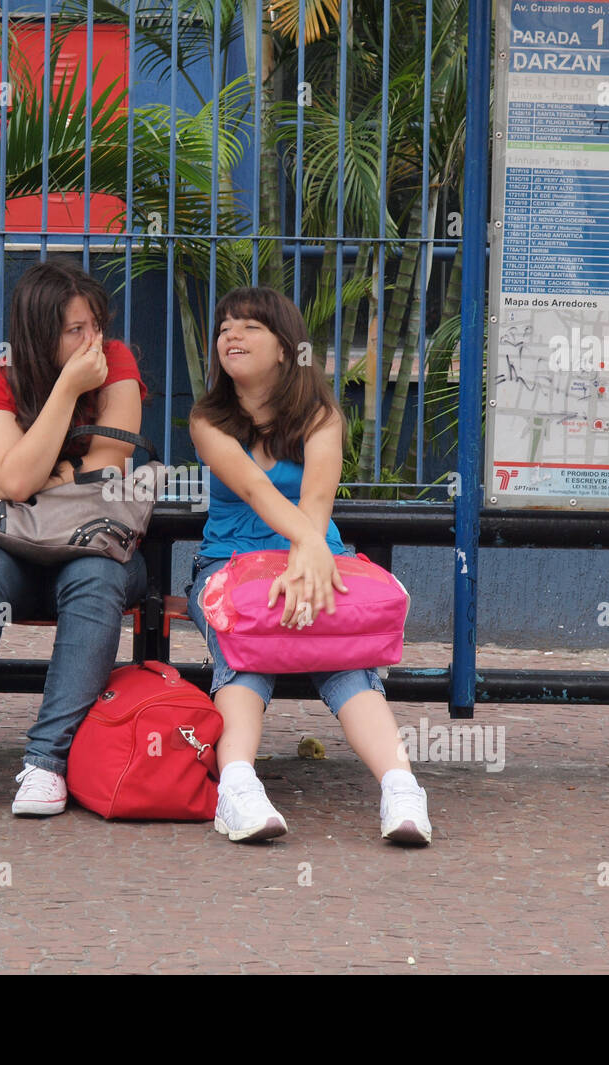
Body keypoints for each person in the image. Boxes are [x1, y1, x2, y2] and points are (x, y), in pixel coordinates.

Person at [186, 286, 431, 844]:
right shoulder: (208, 419)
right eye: (225, 326)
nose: (231, 335)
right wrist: (310, 547)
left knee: (347, 661)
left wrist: (310, 558)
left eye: (249, 326)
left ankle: (402, 790)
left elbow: (316, 502)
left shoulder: (321, 415)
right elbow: (254, 490)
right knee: (244, 651)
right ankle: (239, 788)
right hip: (230, 567)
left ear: (284, 348)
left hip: (319, 557)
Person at [0, 261, 147, 816]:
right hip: (16, 550)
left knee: (95, 579)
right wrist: (66, 393)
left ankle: (47, 762)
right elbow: (19, 478)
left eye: (95, 324)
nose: (92, 339)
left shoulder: (116, 361)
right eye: (75, 330)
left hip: (98, 542)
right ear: (38, 334)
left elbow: (105, 468)